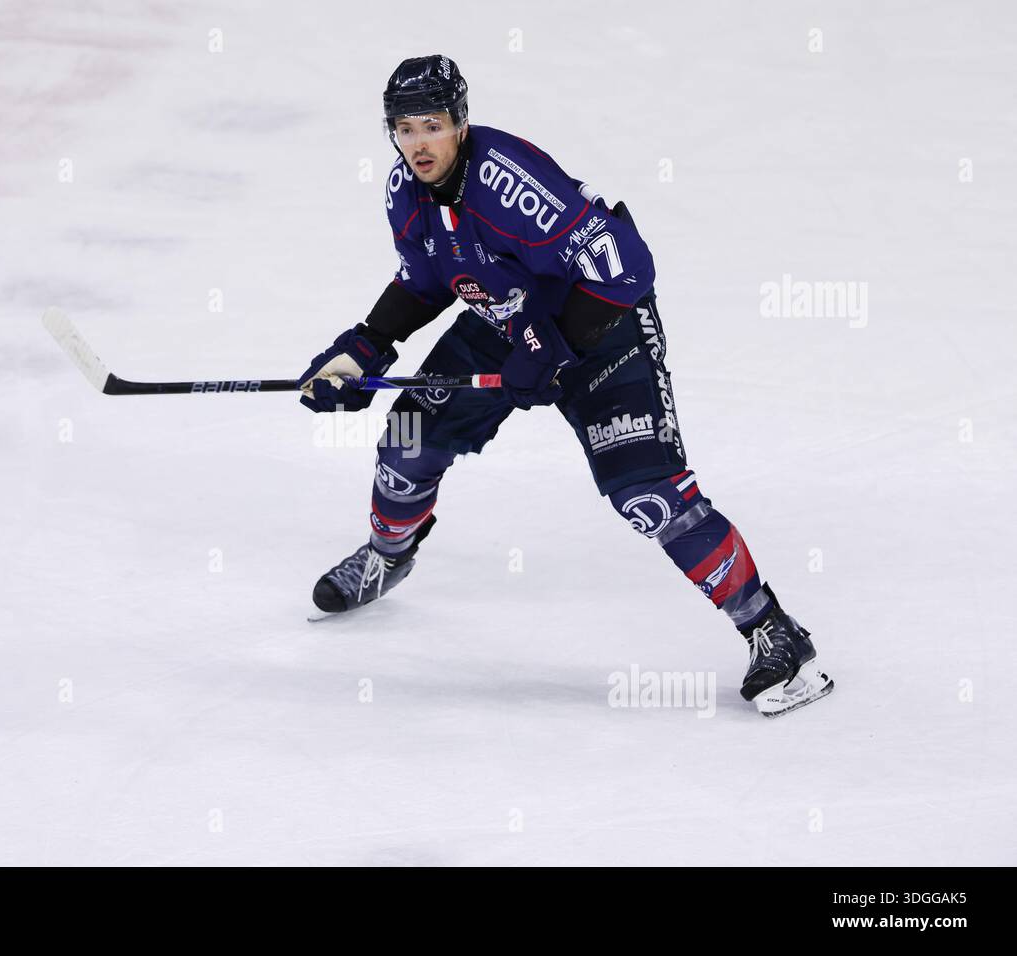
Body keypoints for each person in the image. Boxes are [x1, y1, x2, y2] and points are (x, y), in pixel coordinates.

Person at [297, 55, 832, 718]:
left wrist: (557, 349)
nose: (417, 143)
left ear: (460, 123)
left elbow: (627, 265)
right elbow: (425, 279)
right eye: (403, 129)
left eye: (430, 125)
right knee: (406, 438)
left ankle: (775, 634)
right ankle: (387, 556)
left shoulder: (511, 183)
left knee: (649, 497)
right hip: (506, 322)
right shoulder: (405, 192)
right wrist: (364, 347)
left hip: (604, 328)